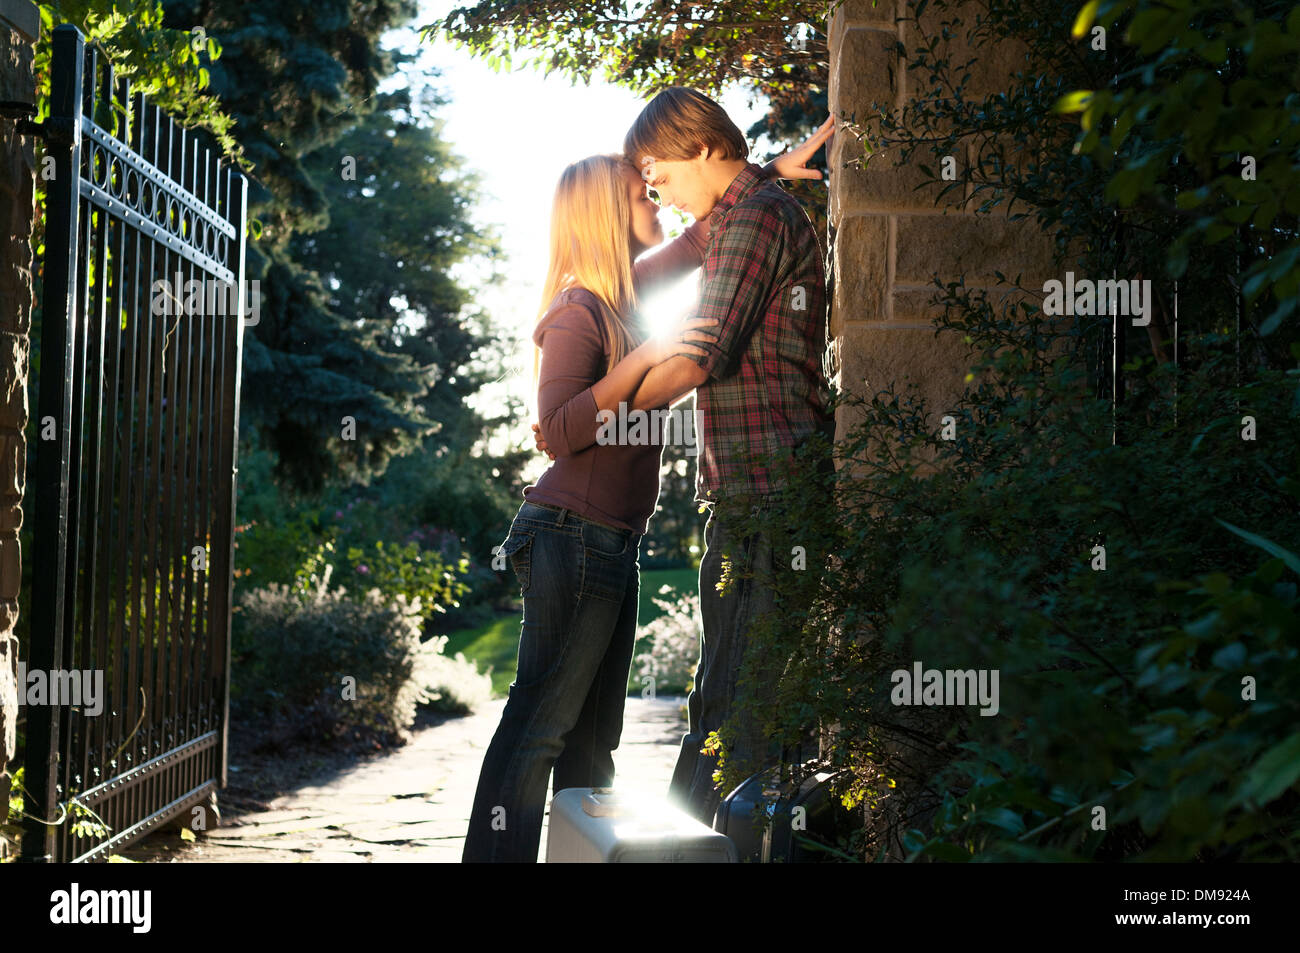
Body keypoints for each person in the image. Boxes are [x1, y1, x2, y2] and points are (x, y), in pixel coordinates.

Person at [463, 130, 828, 862]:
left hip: (611, 544)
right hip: (568, 533)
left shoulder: (630, 288)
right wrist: (646, 355)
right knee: (539, 726)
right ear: (607, 212)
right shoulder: (578, 309)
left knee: (594, 744)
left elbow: (711, 227)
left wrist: (772, 170)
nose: (656, 196)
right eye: (641, 194)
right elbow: (562, 431)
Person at [621, 88, 835, 825]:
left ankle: (710, 843)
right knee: (724, 691)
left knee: (742, 700)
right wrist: (768, 167)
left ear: (706, 149)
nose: (660, 194)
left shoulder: (757, 219)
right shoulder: (745, 213)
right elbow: (650, 272)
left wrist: (589, 417)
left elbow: (699, 355)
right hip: (748, 489)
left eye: (662, 177)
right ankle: (690, 840)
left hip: (770, 487)